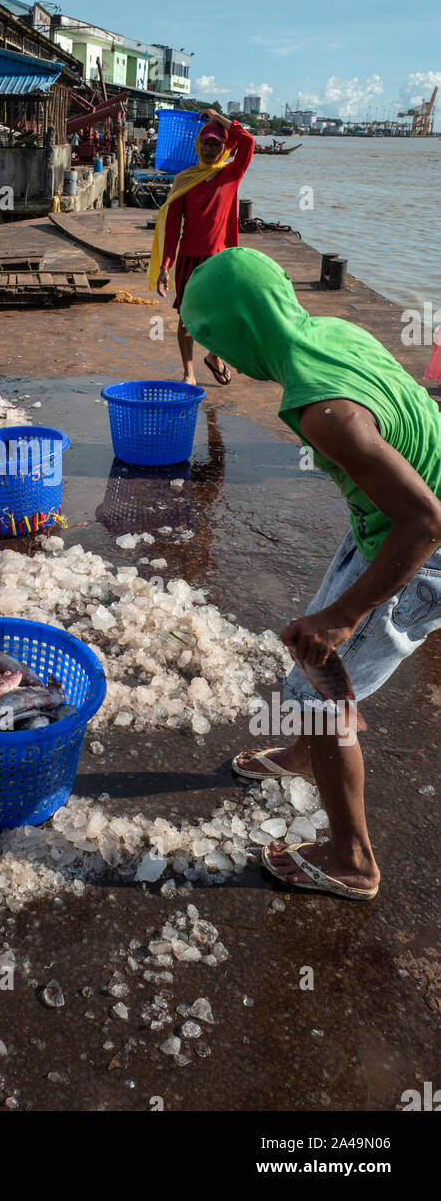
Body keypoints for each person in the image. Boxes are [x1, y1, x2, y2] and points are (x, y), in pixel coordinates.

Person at [180, 246, 441, 901]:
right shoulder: (331, 332)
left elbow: (426, 522)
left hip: (422, 549)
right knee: (312, 669)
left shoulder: (325, 412)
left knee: (318, 695)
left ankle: (353, 861)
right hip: (380, 528)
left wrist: (345, 615)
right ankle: (304, 756)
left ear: (237, 333)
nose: (226, 359)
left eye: (218, 341)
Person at [149, 109, 254, 385]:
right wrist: (164, 267)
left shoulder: (231, 175)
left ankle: (213, 356)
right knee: (187, 320)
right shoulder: (184, 179)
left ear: (224, 148)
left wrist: (218, 118)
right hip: (188, 261)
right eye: (205, 143)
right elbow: (173, 229)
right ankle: (189, 372)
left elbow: (248, 142)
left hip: (219, 261)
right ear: (198, 145)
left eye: (216, 144)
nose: (209, 149)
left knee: (221, 320)